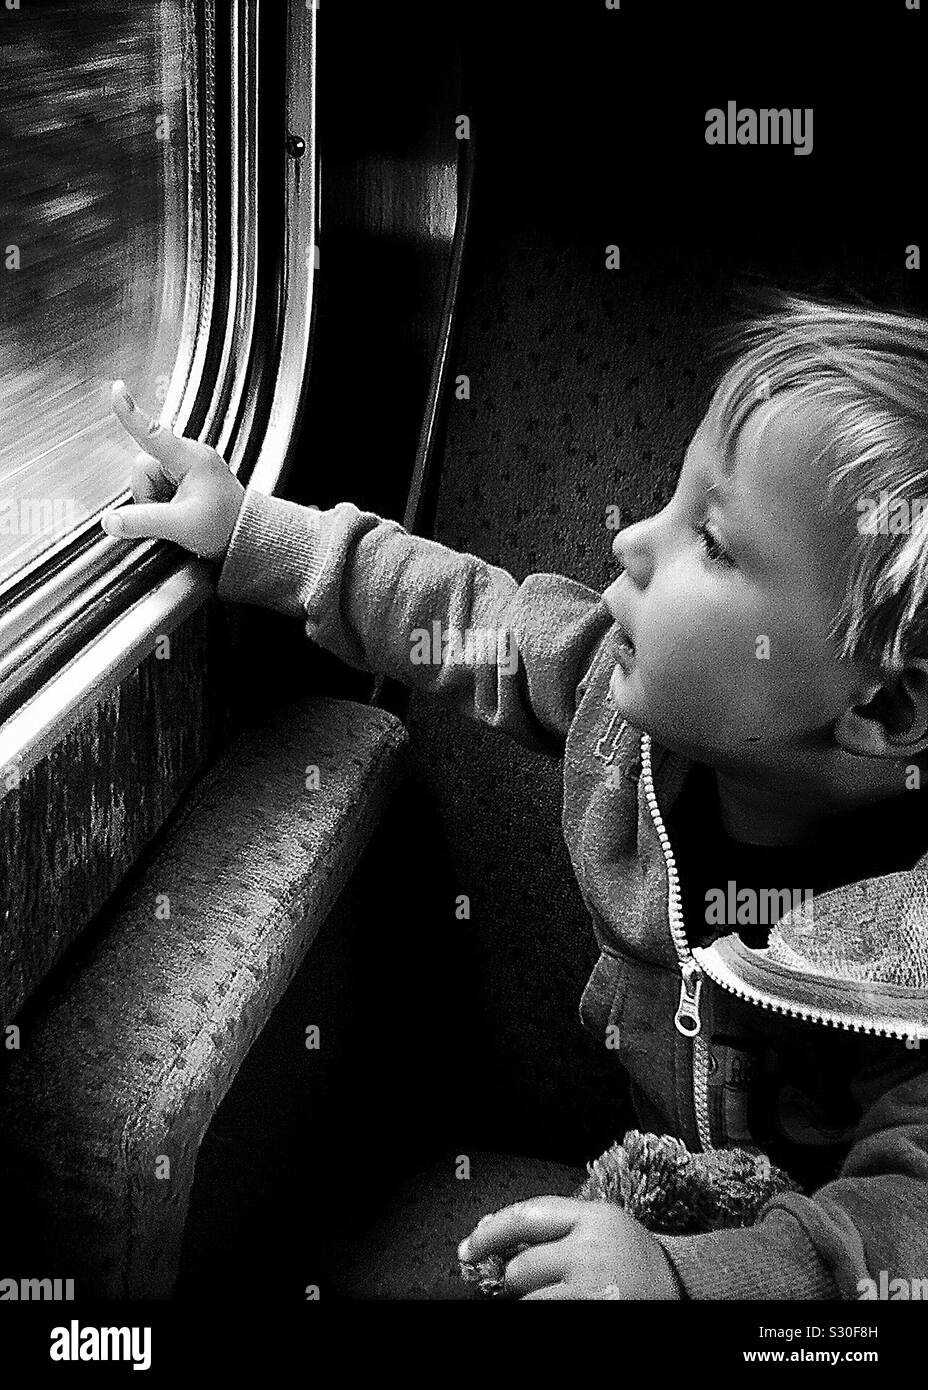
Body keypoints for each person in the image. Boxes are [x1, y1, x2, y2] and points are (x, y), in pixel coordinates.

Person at [101, 291, 928, 1299]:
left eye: (710, 541)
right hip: (684, 1180)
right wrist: (253, 533)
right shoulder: (615, 707)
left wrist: (679, 1279)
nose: (631, 541)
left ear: (882, 708)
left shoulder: (910, 963)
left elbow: (898, 1227)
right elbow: (467, 614)